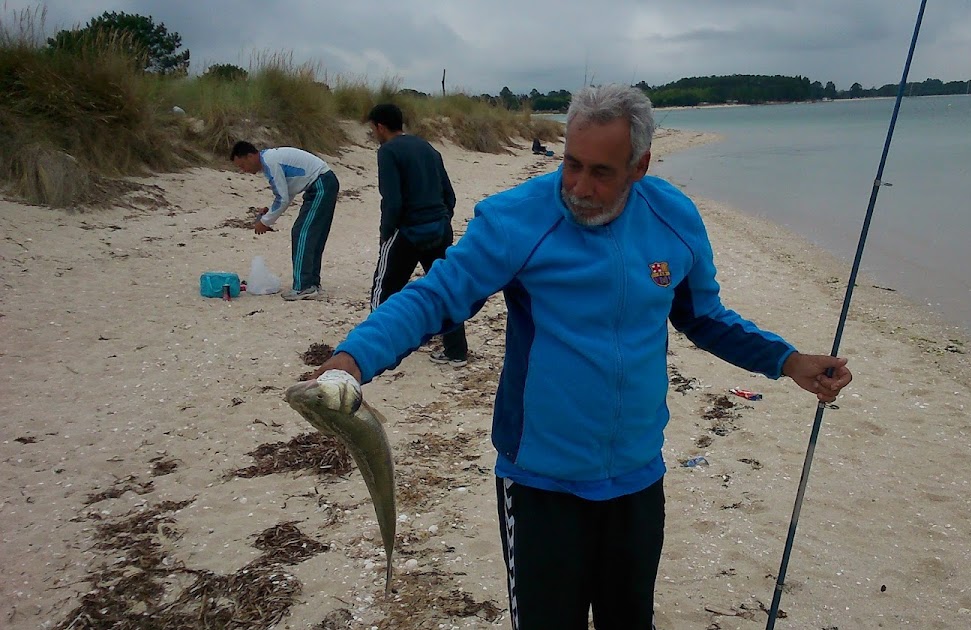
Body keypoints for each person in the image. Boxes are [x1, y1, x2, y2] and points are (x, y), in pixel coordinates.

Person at [313, 84, 852, 629]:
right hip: (540, 483)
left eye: (601, 172)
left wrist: (787, 360)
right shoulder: (516, 219)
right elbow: (437, 295)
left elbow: (705, 317)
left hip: (638, 479)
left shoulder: (675, 219)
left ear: (639, 166)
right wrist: (353, 359)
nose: (579, 187)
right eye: (571, 164)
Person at [365, 103, 469, 367]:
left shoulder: (388, 151)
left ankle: (378, 345)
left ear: (379, 126)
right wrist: (443, 219)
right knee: (445, 288)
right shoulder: (427, 147)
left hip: (408, 231)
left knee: (385, 288)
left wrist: (386, 233)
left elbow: (393, 201)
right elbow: (450, 194)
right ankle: (456, 352)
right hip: (439, 227)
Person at [230, 141, 340, 300]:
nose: (243, 170)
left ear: (250, 156)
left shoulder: (270, 162)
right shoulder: (271, 159)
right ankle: (311, 283)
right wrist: (267, 218)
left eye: (242, 165)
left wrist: (265, 222)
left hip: (320, 185)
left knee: (302, 233)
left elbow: (282, 198)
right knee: (312, 234)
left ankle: (304, 286)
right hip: (323, 183)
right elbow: (285, 195)